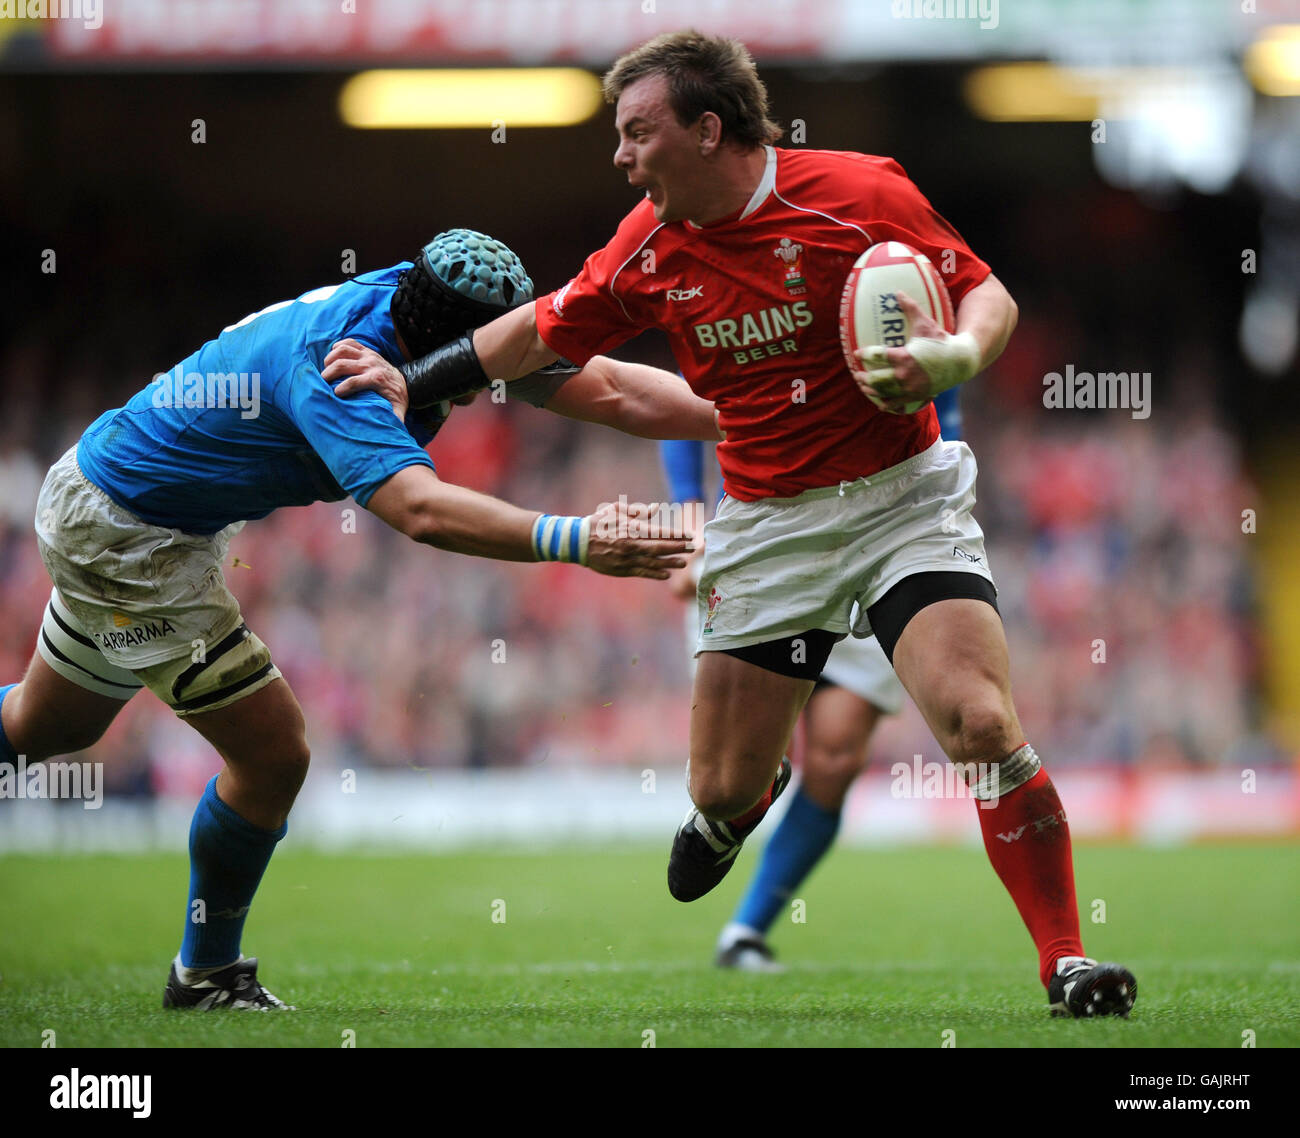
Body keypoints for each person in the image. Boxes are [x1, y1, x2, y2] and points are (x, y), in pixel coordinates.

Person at [330, 35, 1137, 1017]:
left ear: (707, 129)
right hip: (766, 527)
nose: (621, 158)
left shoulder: (858, 193)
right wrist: (412, 378)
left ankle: (1066, 963)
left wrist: (958, 355)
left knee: (979, 722)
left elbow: (984, 290)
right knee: (716, 787)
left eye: (637, 133)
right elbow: (542, 330)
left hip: (900, 499)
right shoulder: (645, 245)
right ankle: (738, 809)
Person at [0, 229, 715, 1011]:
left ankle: (204, 972)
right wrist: (578, 539)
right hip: (130, 536)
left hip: (131, 501)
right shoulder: (344, 368)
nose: (490, 381)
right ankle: (205, 974)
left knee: (44, 727)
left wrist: (743, 420)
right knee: (274, 755)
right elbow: (419, 510)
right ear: (442, 337)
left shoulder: (425, 307)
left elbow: (611, 390)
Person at [661, 384, 962, 971]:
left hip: (877, 545)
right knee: (732, 776)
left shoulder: (910, 302)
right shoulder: (763, 302)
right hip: (766, 545)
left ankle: (746, 929)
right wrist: (689, 516)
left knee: (837, 756)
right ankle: (748, 797)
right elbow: (687, 396)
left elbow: (942, 414)